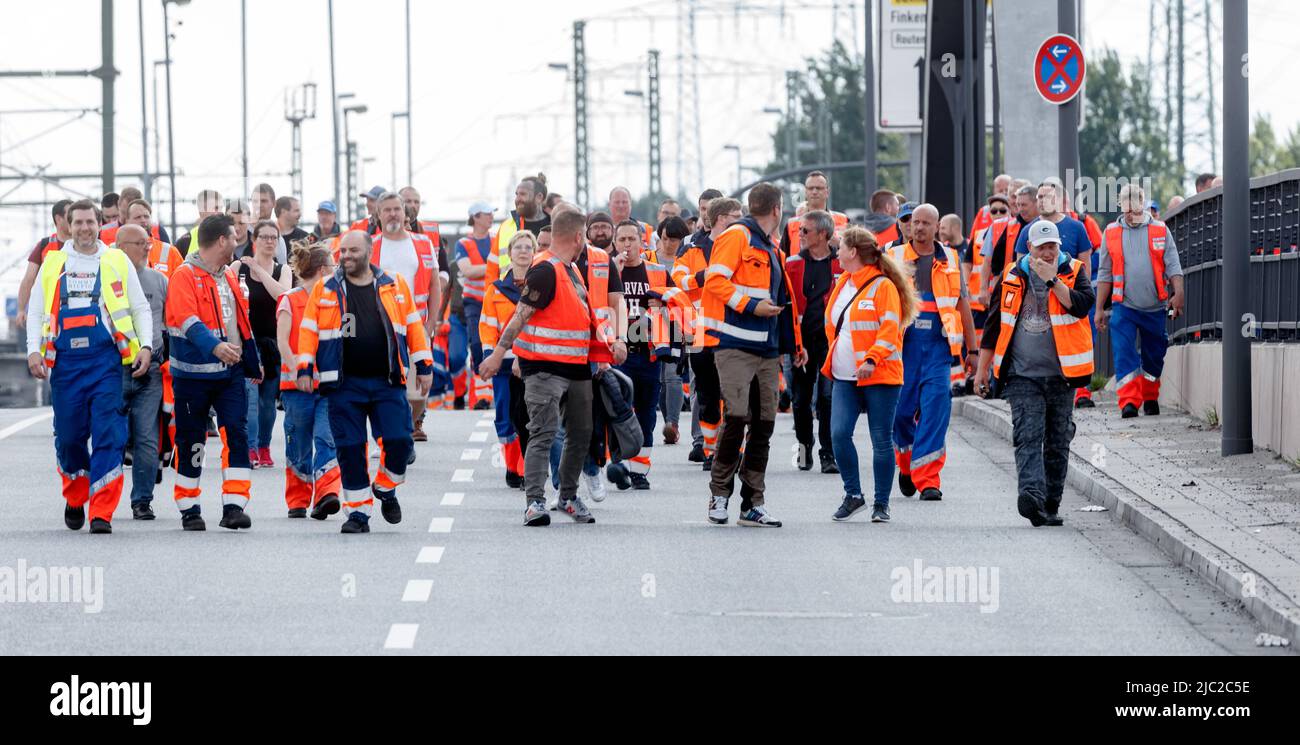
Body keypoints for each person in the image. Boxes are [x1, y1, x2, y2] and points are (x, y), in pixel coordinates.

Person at [28, 200, 153, 534]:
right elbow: (36, 309)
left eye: (90, 222)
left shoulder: (116, 259)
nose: (84, 228)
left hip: (106, 362)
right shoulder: (53, 262)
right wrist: (33, 351)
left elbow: (140, 307)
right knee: (69, 437)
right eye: (78, 222)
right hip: (66, 363)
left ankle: (101, 511)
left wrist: (145, 345)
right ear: (68, 226)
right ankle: (76, 495)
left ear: (100, 225)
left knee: (109, 434)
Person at [478, 207, 610, 527]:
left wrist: (607, 348)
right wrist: (498, 354)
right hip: (543, 368)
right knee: (543, 432)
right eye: (584, 236)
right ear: (577, 236)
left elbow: (582, 316)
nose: (585, 242)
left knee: (580, 433)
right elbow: (520, 315)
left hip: (576, 367)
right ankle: (535, 502)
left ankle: (567, 496)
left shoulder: (571, 269)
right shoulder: (545, 270)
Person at [297, 230, 431, 533]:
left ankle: (386, 486)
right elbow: (308, 330)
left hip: (387, 381)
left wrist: (424, 364)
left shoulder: (395, 284)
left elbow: (413, 326)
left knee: (400, 440)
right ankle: (358, 513)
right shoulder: (325, 289)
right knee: (350, 447)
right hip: (343, 384)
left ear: (369, 252)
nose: (346, 256)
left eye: (353, 251)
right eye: (342, 251)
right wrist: (304, 367)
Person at [976, 220, 1095, 527]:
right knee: (1028, 435)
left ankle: (1050, 503)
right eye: (1041, 247)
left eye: (1052, 246)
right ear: (1029, 248)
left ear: (1059, 247)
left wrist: (1053, 280)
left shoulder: (1074, 271)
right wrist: (981, 370)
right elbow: (993, 326)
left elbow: (1083, 305)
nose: (1047, 252)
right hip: (1022, 374)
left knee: (1057, 441)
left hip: (1062, 375)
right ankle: (1031, 495)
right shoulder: (1012, 275)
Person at [701, 183, 805, 528]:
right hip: (735, 345)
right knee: (735, 417)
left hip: (767, 349)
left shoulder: (771, 246)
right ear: (777, 209)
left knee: (764, 424)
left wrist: (795, 346)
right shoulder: (737, 236)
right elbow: (715, 281)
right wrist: (750, 306)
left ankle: (752, 504)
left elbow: (783, 300)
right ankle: (719, 494)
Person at [165, 214, 261, 532]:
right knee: (192, 442)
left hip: (230, 374)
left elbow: (240, 322)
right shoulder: (183, 276)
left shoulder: (228, 275)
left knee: (237, 434)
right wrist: (215, 347)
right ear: (221, 240)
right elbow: (187, 319)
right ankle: (189, 508)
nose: (238, 241)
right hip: (192, 377)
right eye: (234, 236)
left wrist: (252, 360)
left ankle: (234, 506)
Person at [824, 227, 916, 523]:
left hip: (880, 374)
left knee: (881, 440)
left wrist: (872, 358)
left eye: (840, 247)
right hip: (844, 375)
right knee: (839, 434)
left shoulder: (883, 286)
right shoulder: (844, 283)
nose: (836, 252)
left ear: (853, 252)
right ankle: (853, 495)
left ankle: (881, 503)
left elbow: (890, 330)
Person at [889, 204, 978, 502]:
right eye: (915, 222)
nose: (919, 227)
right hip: (904, 348)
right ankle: (906, 464)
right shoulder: (893, 257)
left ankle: (928, 479)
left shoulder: (951, 258)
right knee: (901, 413)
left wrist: (972, 349)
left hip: (939, 349)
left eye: (926, 223)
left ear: (937, 226)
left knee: (936, 410)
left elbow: (962, 305)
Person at [1096, 183, 1185, 418]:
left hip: (1155, 306)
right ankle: (1129, 401)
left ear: (1142, 205)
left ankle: (1150, 396)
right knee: (1124, 352)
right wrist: (1099, 308)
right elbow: (1104, 273)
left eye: (1135, 210)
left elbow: (1173, 264)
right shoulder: (1111, 232)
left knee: (1154, 355)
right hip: (1123, 305)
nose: (1130, 215)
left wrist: (1178, 293)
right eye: (1126, 210)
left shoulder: (1160, 230)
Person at [368, 192, 442, 445]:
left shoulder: (423, 243)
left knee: (420, 389)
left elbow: (434, 285)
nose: (392, 214)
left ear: (404, 213)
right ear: (378, 215)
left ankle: (408, 426)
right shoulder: (370, 245)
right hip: (381, 328)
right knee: (386, 387)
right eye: (387, 210)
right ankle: (390, 438)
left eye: (396, 209)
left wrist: (431, 323)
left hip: (417, 326)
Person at [675, 197, 742, 469]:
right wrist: (702, 277)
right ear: (722, 219)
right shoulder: (691, 248)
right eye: (736, 216)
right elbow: (678, 280)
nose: (741, 220)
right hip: (699, 331)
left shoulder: (743, 245)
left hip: (731, 329)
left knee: (734, 394)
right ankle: (711, 450)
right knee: (706, 394)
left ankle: (733, 449)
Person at [277, 241, 341, 519]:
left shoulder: (336, 299)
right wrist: (298, 370)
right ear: (323, 270)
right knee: (298, 444)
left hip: (328, 386)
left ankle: (327, 494)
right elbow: (283, 341)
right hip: (296, 388)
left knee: (327, 438)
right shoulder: (290, 300)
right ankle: (298, 499)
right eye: (334, 266)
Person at [606, 219, 671, 489]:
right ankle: (619, 464)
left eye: (632, 239)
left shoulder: (657, 271)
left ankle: (639, 471)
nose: (627, 244)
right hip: (618, 353)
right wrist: (614, 275)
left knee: (646, 413)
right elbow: (596, 307)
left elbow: (679, 306)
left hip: (648, 353)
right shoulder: (606, 271)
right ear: (614, 243)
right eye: (622, 239)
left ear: (642, 243)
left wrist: (663, 303)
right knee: (618, 409)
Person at [114, 225, 169, 520]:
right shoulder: (106, 278)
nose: (148, 248)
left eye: (148, 242)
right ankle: (104, 499)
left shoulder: (159, 281)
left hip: (151, 371)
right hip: (113, 370)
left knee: (147, 438)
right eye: (140, 243)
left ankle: (142, 501)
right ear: (121, 247)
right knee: (111, 437)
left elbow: (170, 321)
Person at [784, 209, 841, 473]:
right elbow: (786, 305)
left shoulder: (841, 263)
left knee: (827, 398)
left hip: (831, 342)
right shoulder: (793, 264)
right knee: (800, 399)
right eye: (800, 230)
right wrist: (789, 344)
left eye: (805, 231)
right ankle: (804, 446)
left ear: (823, 234)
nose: (800, 235)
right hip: (801, 342)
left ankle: (828, 454)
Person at [480, 231, 538, 489]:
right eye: (518, 247)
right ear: (510, 253)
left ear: (534, 253)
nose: (523, 251)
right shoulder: (495, 290)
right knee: (505, 416)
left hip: (532, 362)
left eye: (528, 247)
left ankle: (525, 469)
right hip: (503, 364)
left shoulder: (541, 287)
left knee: (528, 416)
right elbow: (487, 327)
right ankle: (512, 466)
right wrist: (489, 356)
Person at [238, 220, 291, 468]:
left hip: (272, 344)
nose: (269, 241)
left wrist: (259, 270)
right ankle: (249, 448)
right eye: (264, 237)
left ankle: (263, 446)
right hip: (247, 341)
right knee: (248, 399)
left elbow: (282, 296)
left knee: (267, 401)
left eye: (273, 237)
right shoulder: (239, 267)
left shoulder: (283, 270)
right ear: (254, 240)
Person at [454, 202, 496, 414]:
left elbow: (474, 269)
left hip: (496, 299)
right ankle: (482, 394)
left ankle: (489, 392)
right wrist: (494, 266)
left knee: (496, 343)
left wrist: (480, 269)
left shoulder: (497, 239)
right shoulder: (463, 243)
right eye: (488, 213)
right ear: (476, 217)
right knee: (477, 344)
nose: (491, 217)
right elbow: (468, 271)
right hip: (474, 302)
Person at [654, 216, 691, 445]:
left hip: (679, 322)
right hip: (653, 322)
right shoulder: (650, 259)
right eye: (664, 238)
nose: (668, 244)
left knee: (673, 374)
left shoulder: (686, 261)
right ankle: (667, 419)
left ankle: (672, 424)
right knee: (659, 377)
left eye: (674, 240)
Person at [16, 199, 73, 329]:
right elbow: (29, 279)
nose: (74, 219)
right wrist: (21, 309)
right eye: (70, 215)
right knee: (50, 339)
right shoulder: (44, 246)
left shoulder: (85, 245)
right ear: (58, 219)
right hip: (51, 313)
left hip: (79, 309)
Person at [979, 185, 1037, 305]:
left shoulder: (1045, 225)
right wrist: (986, 289)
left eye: (1024, 205)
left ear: (1036, 203)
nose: (1020, 209)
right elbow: (993, 263)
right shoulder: (1008, 226)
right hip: (1010, 288)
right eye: (1018, 205)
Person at [488, 174, 551, 283]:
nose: (517, 199)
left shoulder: (556, 227)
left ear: (539, 197)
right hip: (510, 291)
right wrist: (490, 293)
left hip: (548, 290)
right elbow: (492, 268)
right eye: (516, 194)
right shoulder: (506, 227)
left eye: (523, 194)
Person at [781, 171, 850, 256]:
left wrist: (839, 244)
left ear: (827, 192)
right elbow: (782, 259)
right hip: (799, 265)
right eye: (810, 188)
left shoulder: (843, 221)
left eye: (819, 188)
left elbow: (855, 254)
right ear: (805, 192)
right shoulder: (791, 225)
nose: (814, 192)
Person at [123, 199, 184, 279]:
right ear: (127, 221)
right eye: (138, 217)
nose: (143, 220)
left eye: (146, 216)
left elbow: (182, 281)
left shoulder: (170, 251)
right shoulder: (118, 250)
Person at [177, 190, 224, 256]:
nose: (221, 212)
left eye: (221, 208)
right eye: (216, 208)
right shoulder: (185, 242)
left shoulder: (229, 238)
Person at [275, 196, 309, 261]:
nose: (300, 214)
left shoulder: (305, 237)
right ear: (283, 212)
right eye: (296, 210)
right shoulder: (268, 236)